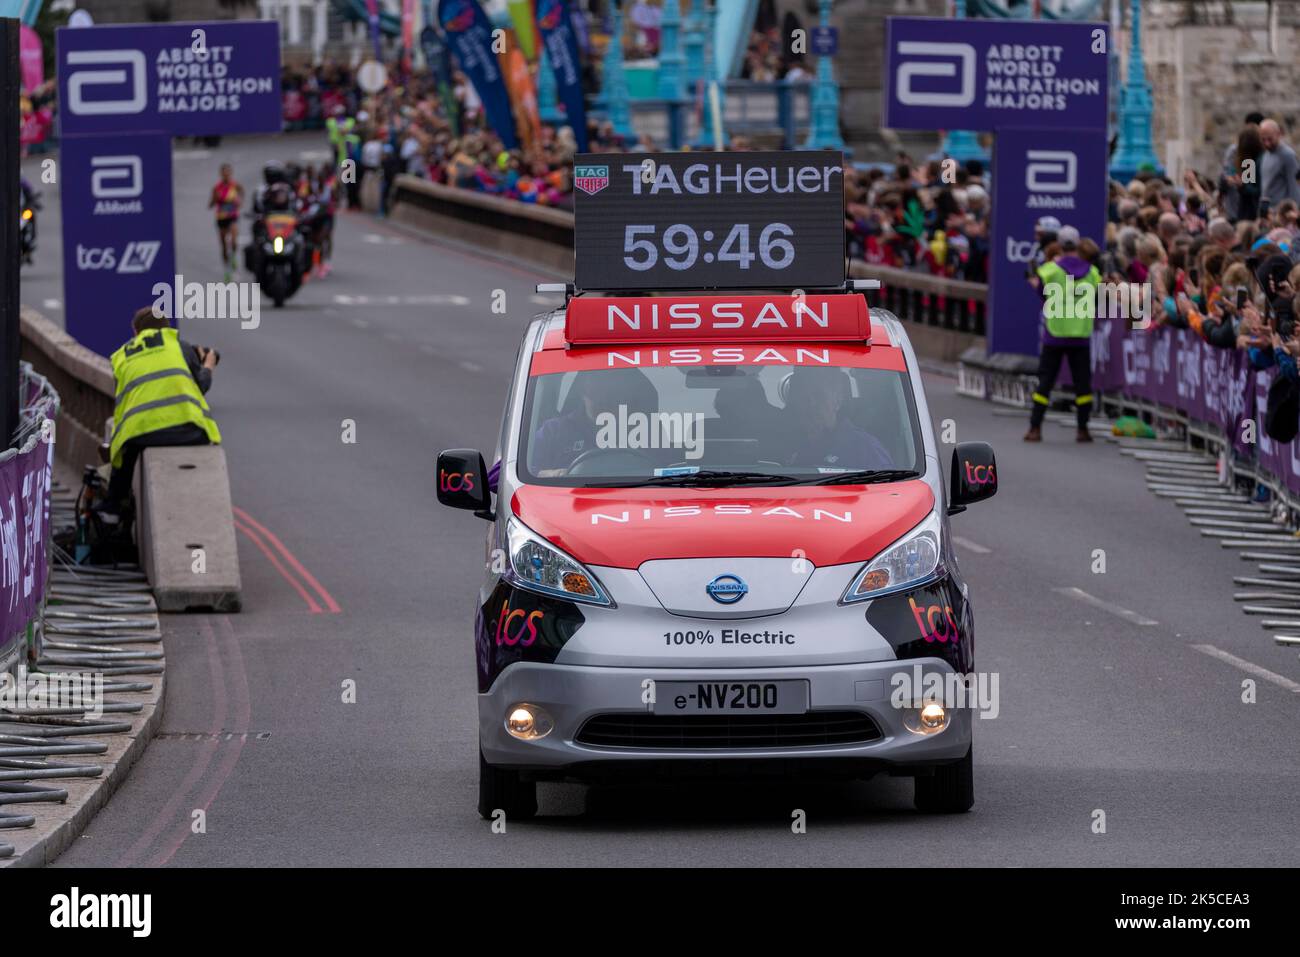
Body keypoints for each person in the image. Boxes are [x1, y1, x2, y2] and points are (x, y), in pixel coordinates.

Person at [102, 308, 222, 513]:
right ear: (167, 328)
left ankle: (113, 508)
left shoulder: (121, 357)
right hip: (187, 432)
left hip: (139, 435)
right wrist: (208, 365)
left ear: (135, 332)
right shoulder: (179, 347)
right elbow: (200, 386)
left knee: (124, 457)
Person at [1025, 225, 1101, 444]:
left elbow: (1042, 293)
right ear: (1077, 244)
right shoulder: (1093, 272)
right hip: (1080, 333)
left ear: (1059, 244)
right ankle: (1083, 430)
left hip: (1055, 332)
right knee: (1082, 384)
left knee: (1045, 382)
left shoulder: (1049, 270)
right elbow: (1097, 297)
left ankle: (1035, 428)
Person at [781, 368, 893, 470]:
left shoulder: (866, 450)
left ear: (838, 401)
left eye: (819, 396)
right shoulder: (778, 442)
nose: (811, 404)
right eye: (804, 397)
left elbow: (887, 489)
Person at [208, 163, 243, 280]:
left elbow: (242, 194)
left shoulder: (236, 185)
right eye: (224, 172)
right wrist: (215, 199)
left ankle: (233, 256)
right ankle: (227, 270)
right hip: (221, 217)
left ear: (231, 173)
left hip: (232, 216)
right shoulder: (216, 188)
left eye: (228, 172)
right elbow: (210, 204)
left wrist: (239, 202)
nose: (226, 175)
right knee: (223, 245)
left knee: (233, 240)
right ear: (221, 174)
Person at [1259, 119, 1300, 208]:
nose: (1267, 143)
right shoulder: (1265, 154)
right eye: (1263, 140)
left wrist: (1295, 212)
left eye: (1270, 139)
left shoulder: (1288, 155)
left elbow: (1295, 187)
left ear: (1278, 134)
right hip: (1268, 211)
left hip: (1282, 213)